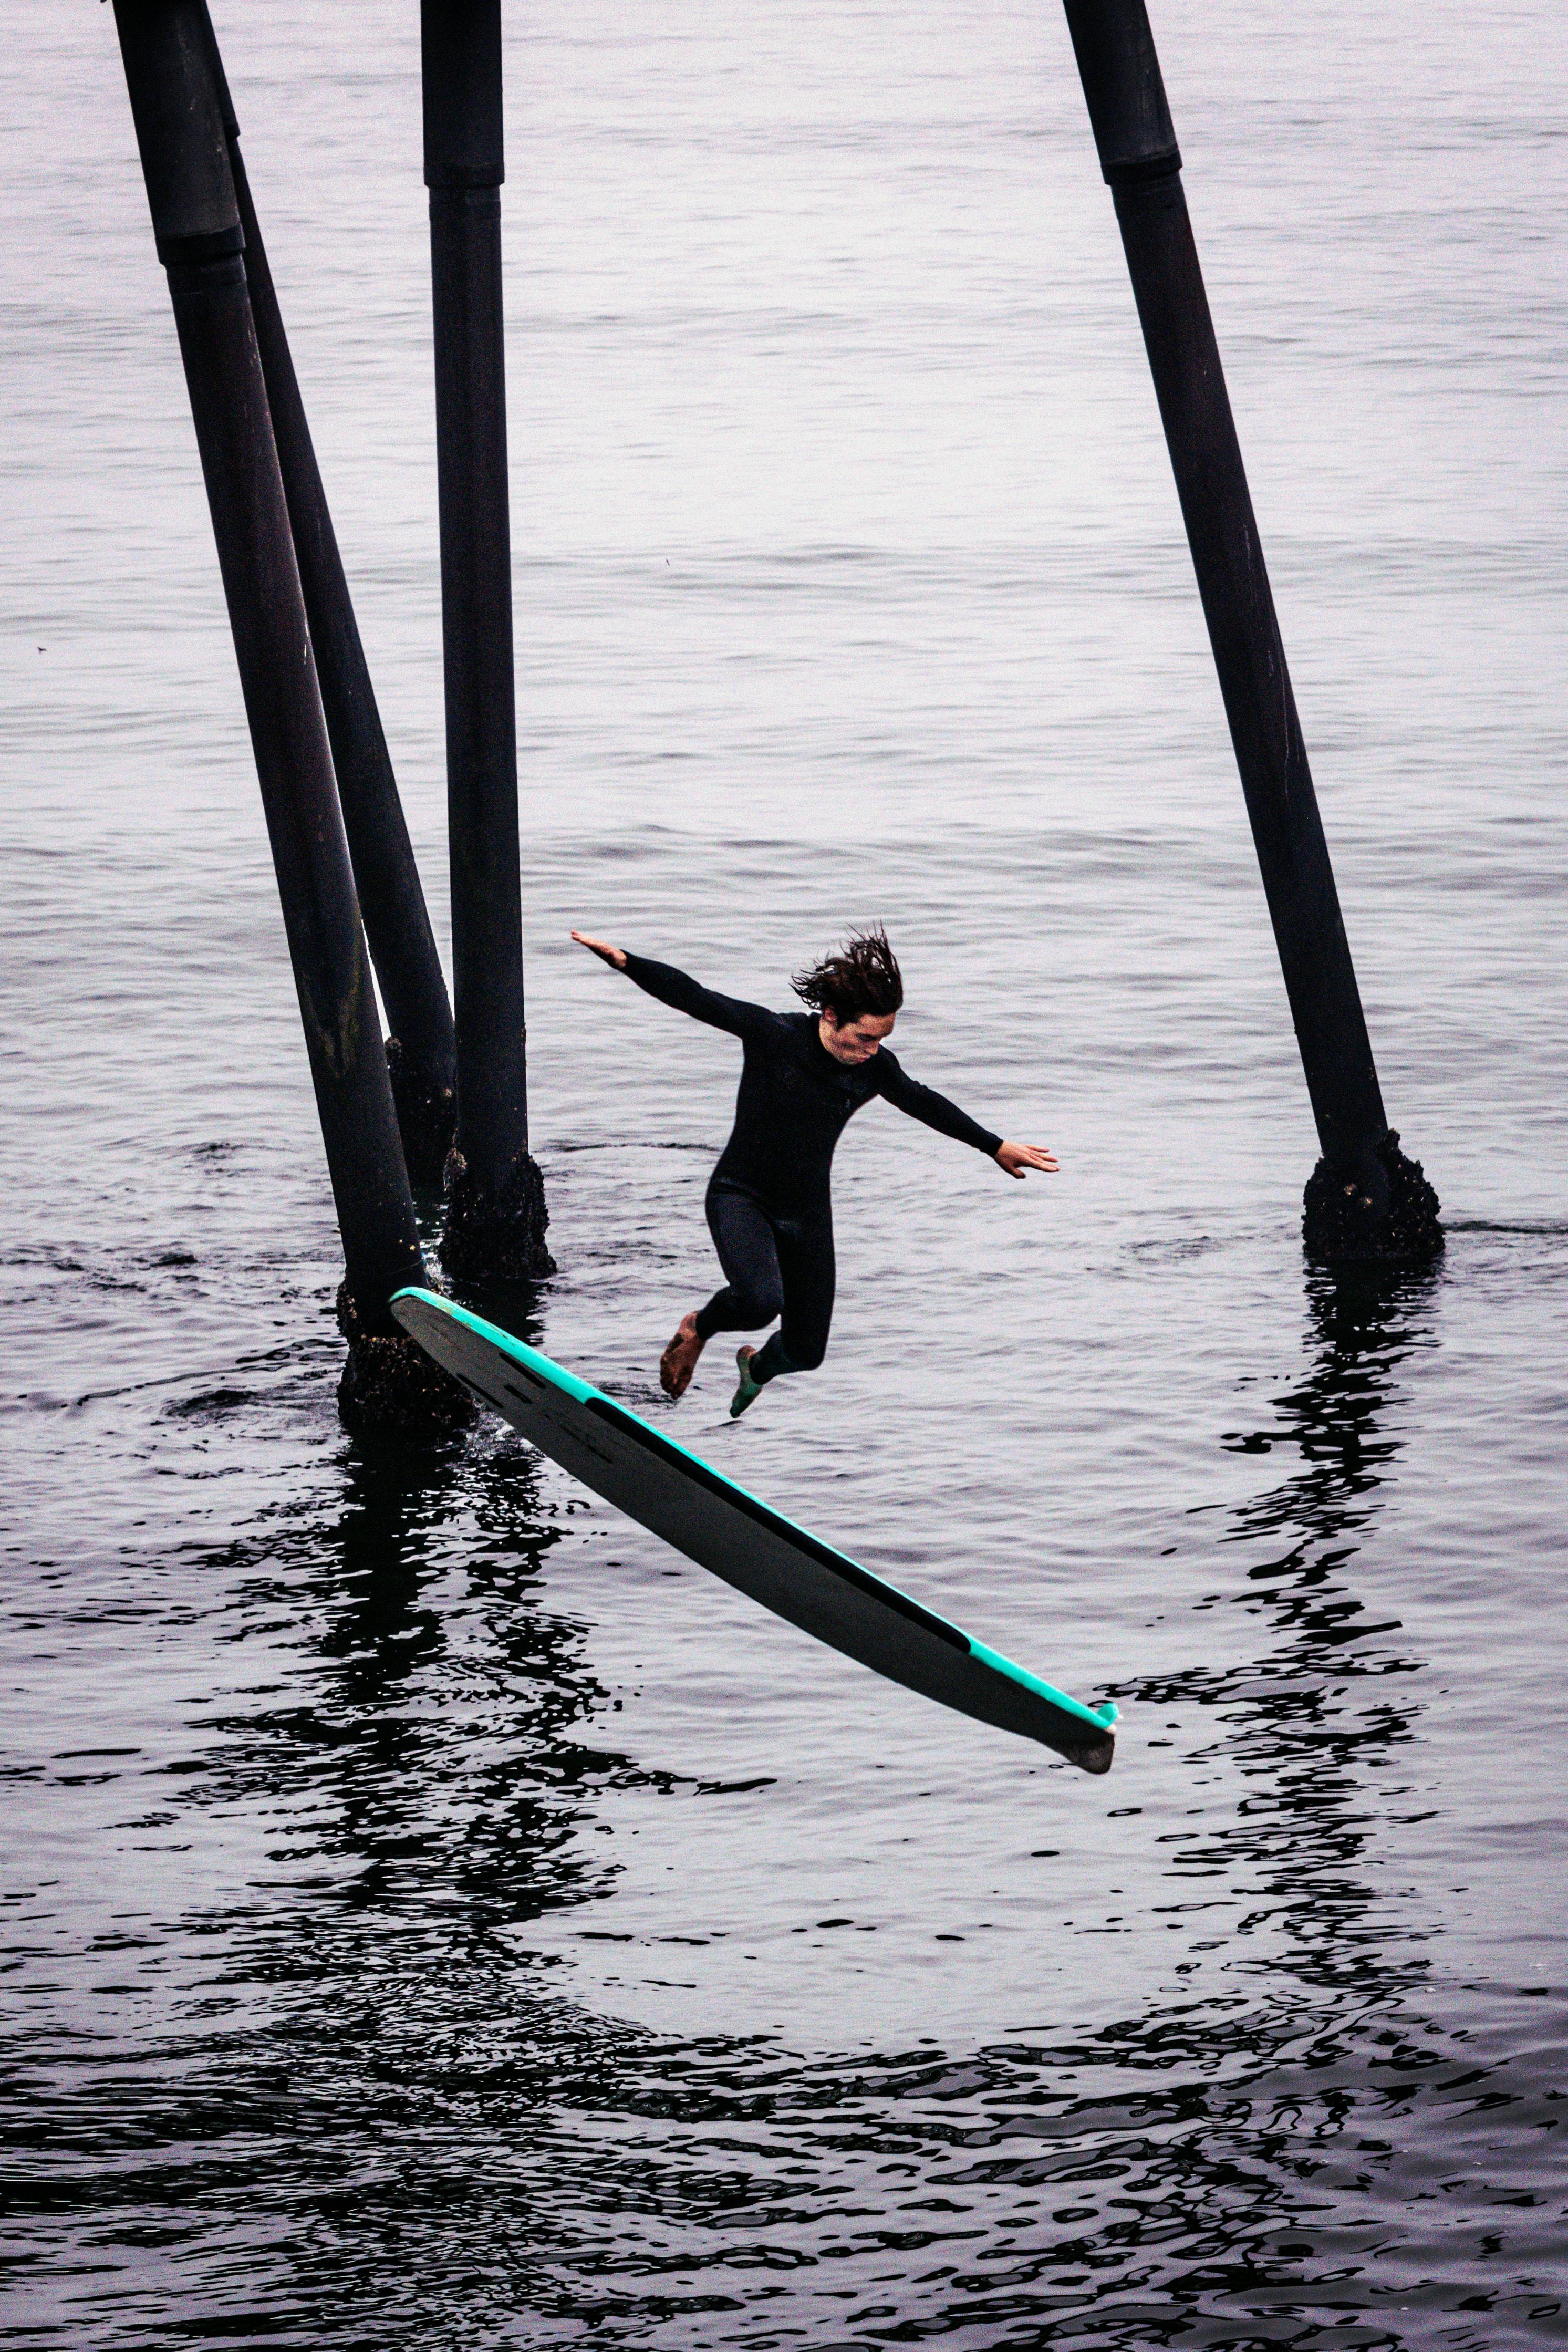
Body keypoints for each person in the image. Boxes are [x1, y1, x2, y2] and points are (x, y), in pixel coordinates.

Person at [569, 926, 1057, 1417]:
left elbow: (922, 1101)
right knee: (760, 1301)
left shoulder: (874, 1066)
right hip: (742, 1194)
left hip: (805, 1211)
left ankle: (754, 1370)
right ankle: (698, 1328)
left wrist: (993, 1145)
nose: (872, 1050)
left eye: (882, 1039)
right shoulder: (775, 1035)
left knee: (806, 1352)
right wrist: (628, 962)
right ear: (830, 1015)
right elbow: (696, 998)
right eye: (865, 1037)